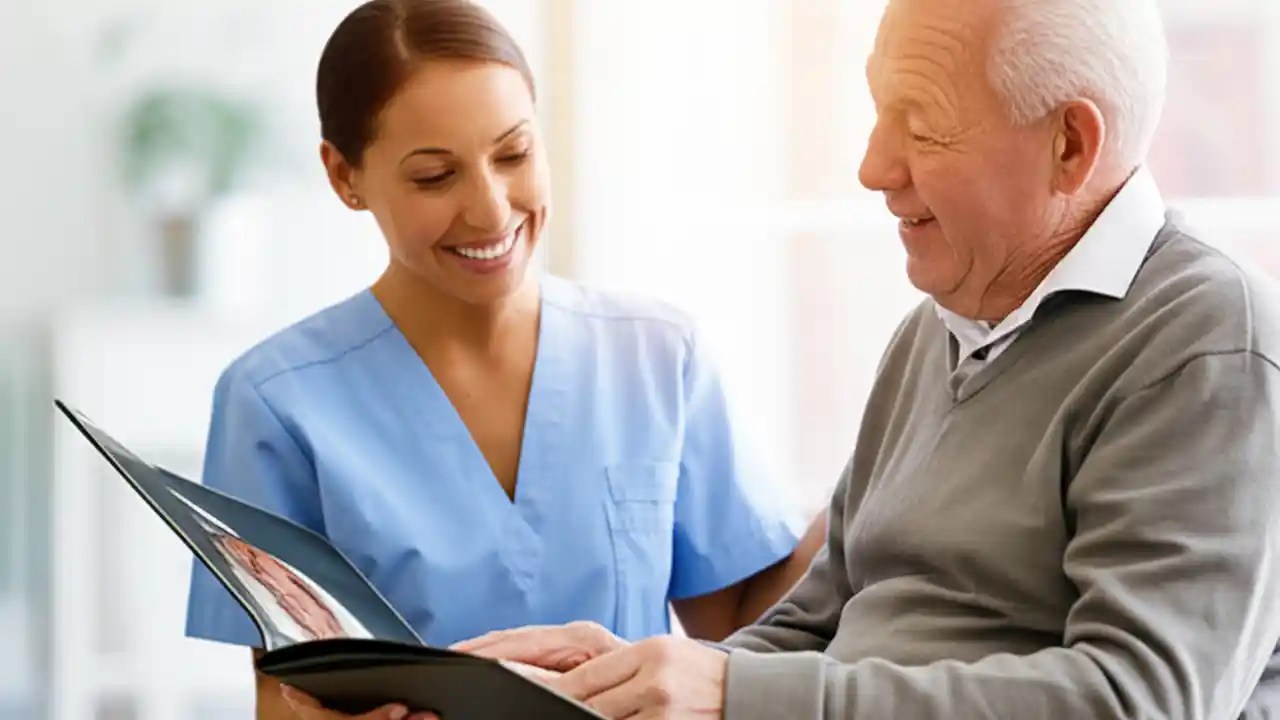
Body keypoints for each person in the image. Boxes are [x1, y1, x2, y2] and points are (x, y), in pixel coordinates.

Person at [458, 0, 1280, 718]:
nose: (873, 167)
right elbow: (822, 621)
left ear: (1069, 143)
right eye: (879, 114)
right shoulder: (944, 325)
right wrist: (633, 683)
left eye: (921, 127)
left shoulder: (1207, 342)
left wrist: (736, 698)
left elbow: (1141, 701)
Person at [182, 0, 826, 718]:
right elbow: (284, 697)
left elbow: (748, 627)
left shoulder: (657, 357)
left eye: (514, 154)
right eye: (434, 176)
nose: (491, 211)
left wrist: (889, 484)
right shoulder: (274, 403)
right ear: (344, 176)